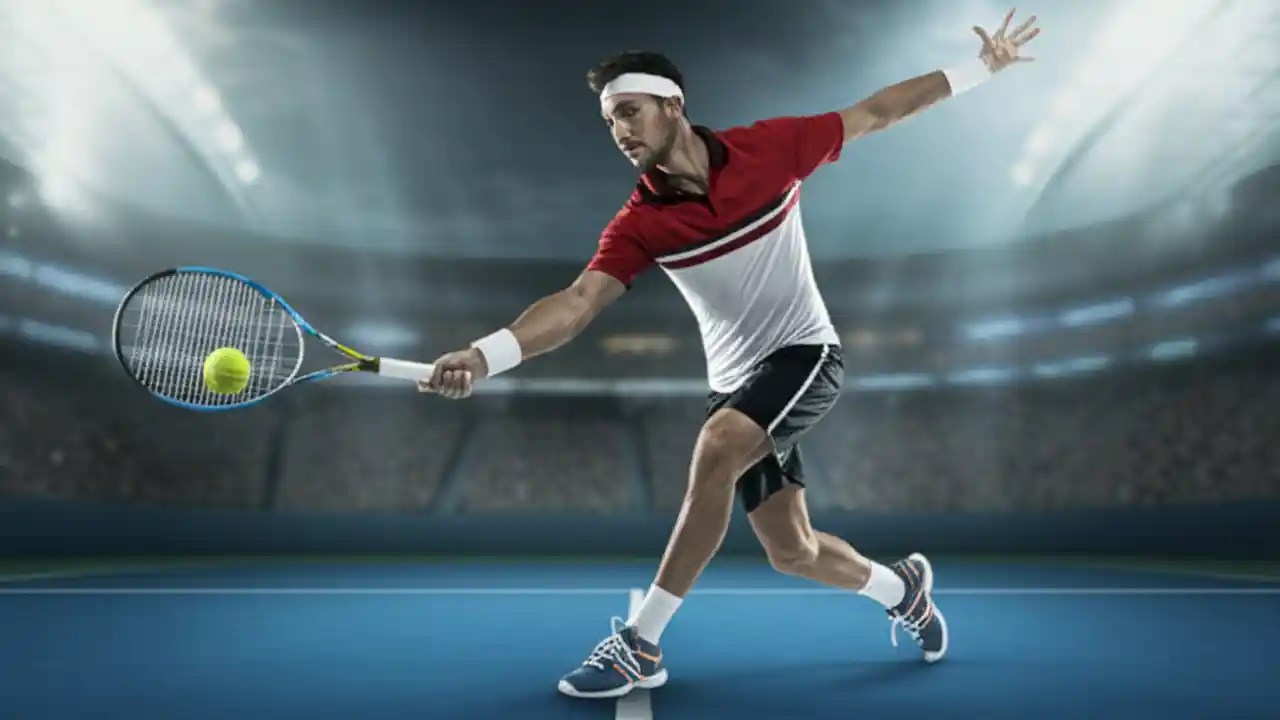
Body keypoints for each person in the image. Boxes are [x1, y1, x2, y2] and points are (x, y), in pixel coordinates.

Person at [421, 8, 1040, 699]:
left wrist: (983, 67)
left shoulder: (773, 149)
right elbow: (576, 303)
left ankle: (640, 645)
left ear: (672, 105)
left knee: (717, 447)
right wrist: (484, 355)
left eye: (630, 112)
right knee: (793, 551)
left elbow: (878, 112)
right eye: (610, 122)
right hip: (739, 386)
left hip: (805, 355)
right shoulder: (640, 224)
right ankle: (905, 591)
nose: (620, 132)